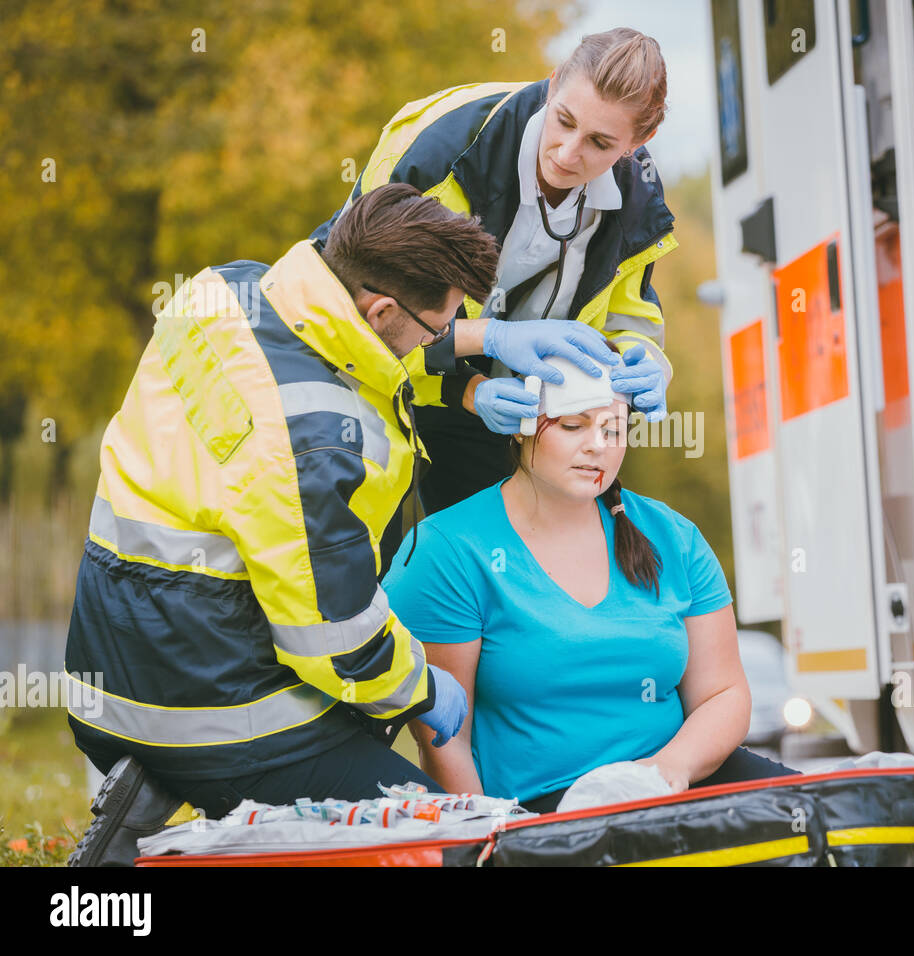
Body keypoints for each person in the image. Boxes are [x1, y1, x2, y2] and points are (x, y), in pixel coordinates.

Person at [65, 183, 621, 865]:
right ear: (381, 308)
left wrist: (468, 385)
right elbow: (336, 645)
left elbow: (350, 348)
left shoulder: (226, 290)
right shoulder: (314, 437)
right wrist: (419, 687)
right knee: (450, 845)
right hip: (210, 709)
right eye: (439, 328)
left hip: (112, 661)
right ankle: (192, 806)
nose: (444, 340)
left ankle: (157, 788)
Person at [382, 350, 798, 813]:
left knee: (830, 818)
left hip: (676, 781)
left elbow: (724, 693)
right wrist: (493, 837)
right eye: (572, 425)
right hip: (542, 809)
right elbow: (445, 743)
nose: (597, 446)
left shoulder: (673, 537)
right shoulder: (448, 550)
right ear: (520, 426)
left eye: (613, 429)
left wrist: (662, 774)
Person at [313, 27, 678, 516]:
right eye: (564, 120)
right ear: (552, 84)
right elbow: (360, 322)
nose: (568, 154)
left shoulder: (639, 200)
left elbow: (629, 319)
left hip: (513, 412)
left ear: (639, 141)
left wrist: (645, 361)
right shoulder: (438, 155)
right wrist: (477, 365)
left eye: (599, 142)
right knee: (367, 548)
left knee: (497, 561)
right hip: (374, 382)